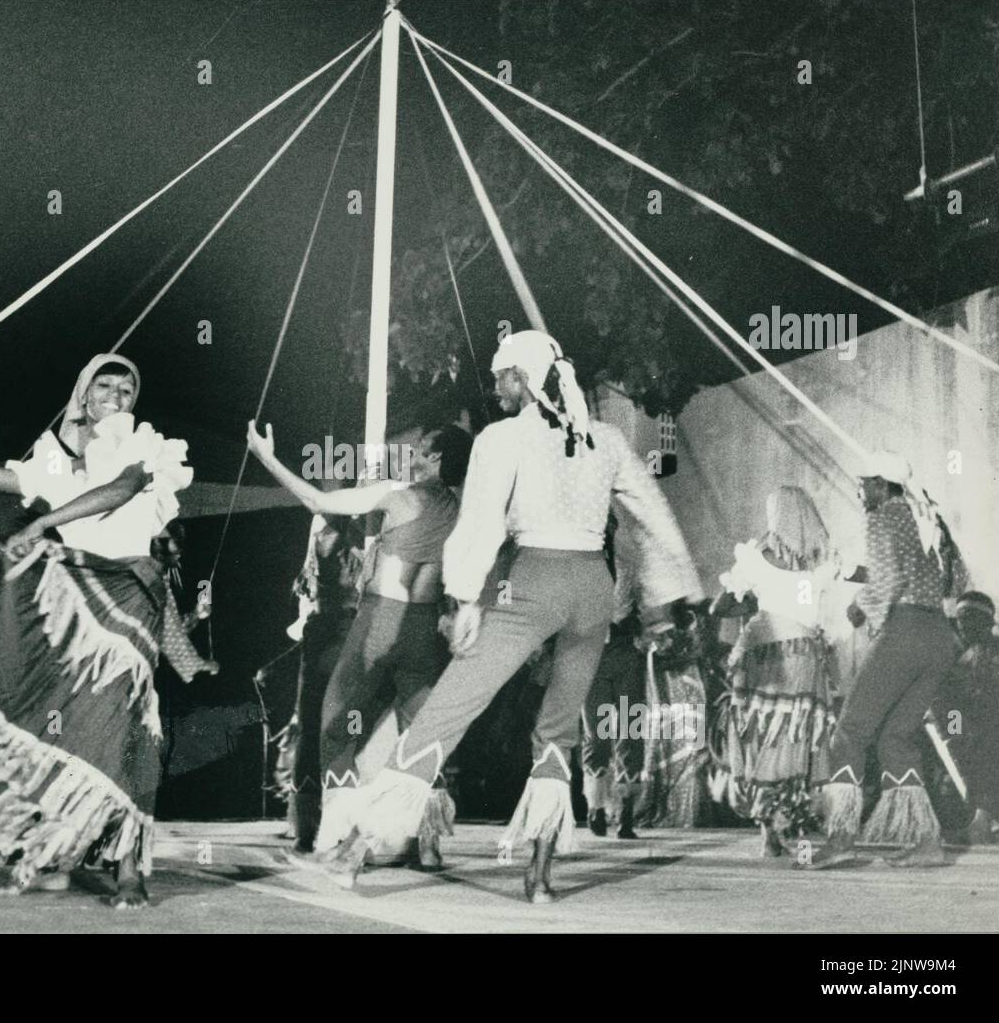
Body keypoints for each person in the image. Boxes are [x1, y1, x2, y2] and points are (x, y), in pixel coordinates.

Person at [318, 330, 702, 900]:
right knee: (557, 730)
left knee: (447, 710)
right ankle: (540, 878)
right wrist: (671, 593)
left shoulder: (501, 440)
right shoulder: (607, 439)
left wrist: (467, 597)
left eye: (503, 376)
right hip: (592, 588)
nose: (495, 386)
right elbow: (653, 514)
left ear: (524, 379)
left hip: (533, 582)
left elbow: (481, 525)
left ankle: (357, 847)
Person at [0, 352, 217, 908]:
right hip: (69, 606)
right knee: (57, 723)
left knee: (128, 727)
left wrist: (42, 521)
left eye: (126, 388)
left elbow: (125, 489)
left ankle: (129, 865)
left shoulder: (146, 445)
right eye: (104, 386)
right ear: (82, 397)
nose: (116, 394)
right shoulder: (55, 465)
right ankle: (55, 847)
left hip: (129, 600)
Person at [246, 419, 473, 868]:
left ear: (439, 458)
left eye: (423, 450)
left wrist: (264, 456)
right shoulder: (463, 508)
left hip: (380, 623)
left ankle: (337, 836)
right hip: (424, 630)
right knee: (421, 736)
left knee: (335, 724)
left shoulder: (399, 496)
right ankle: (428, 844)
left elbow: (317, 500)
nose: (414, 456)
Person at [802, 452, 963, 869]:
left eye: (864, 483)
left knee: (849, 733)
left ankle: (840, 839)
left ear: (880, 483)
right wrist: (857, 575)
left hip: (905, 632)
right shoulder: (927, 517)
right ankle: (927, 841)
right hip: (940, 637)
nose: (860, 491)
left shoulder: (883, 516)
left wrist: (862, 607)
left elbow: (890, 578)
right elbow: (948, 578)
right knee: (896, 738)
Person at [710, 486, 842, 855]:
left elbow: (718, 609)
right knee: (795, 737)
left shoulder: (755, 559)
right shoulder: (823, 562)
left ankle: (768, 826)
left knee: (760, 735)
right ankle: (791, 820)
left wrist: (755, 598)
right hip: (803, 656)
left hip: (760, 655)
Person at [276, 501, 365, 852]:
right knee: (325, 726)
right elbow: (328, 552)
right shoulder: (338, 528)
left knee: (336, 725)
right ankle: (315, 827)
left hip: (341, 630)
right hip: (336, 630)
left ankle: (323, 827)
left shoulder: (346, 528)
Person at [580, 517, 647, 840]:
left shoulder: (628, 567)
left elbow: (645, 607)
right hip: (591, 656)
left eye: (607, 528)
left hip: (625, 656)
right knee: (597, 733)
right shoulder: (574, 568)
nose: (603, 534)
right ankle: (596, 807)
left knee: (630, 731)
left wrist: (642, 633)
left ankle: (625, 814)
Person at [928, 592, 999, 841]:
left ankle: (987, 819)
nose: (963, 623)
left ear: (987, 622)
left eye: (970, 617)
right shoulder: (952, 654)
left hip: (996, 724)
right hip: (965, 724)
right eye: (960, 618)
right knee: (967, 748)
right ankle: (983, 819)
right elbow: (945, 700)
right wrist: (956, 732)